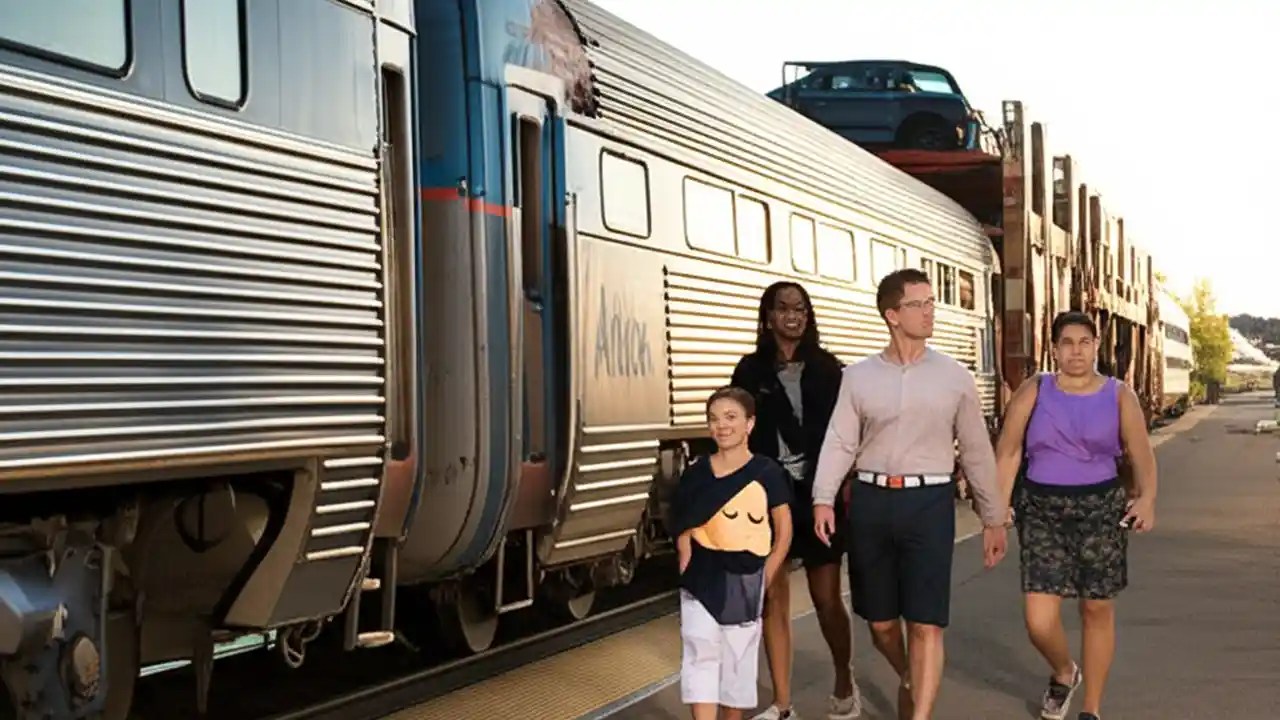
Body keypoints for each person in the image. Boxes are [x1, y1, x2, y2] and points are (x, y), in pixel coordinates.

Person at [810, 268, 1009, 720]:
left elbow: (977, 450)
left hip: (930, 504)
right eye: (919, 304)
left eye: (931, 303)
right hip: (872, 503)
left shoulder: (955, 377)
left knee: (926, 624)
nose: (930, 312)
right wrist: (823, 498)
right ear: (892, 315)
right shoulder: (858, 377)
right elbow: (840, 440)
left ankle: (918, 713)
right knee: (881, 625)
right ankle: (910, 675)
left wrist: (993, 518)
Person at [993, 311, 1157, 720]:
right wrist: (995, 515)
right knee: (1038, 620)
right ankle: (1065, 670)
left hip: (1100, 510)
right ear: (1054, 348)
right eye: (1067, 342)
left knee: (1095, 609)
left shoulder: (1120, 395)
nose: (1077, 350)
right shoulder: (1036, 390)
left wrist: (1147, 498)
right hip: (1042, 511)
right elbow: (1008, 453)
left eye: (1085, 342)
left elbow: (1141, 453)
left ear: (1097, 346)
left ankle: (1092, 709)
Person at [730, 281, 862, 720]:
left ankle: (844, 676)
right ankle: (783, 704)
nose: (793, 315)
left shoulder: (829, 370)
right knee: (773, 598)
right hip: (769, 499)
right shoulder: (750, 372)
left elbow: (848, 433)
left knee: (827, 597)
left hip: (819, 496)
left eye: (800, 308)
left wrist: (844, 484)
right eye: (783, 307)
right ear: (767, 316)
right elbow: (737, 431)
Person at [671, 386, 794, 720]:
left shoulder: (767, 473)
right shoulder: (696, 473)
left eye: (730, 417)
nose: (721, 426)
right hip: (702, 577)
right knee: (701, 657)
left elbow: (783, 529)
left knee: (738, 662)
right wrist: (684, 547)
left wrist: (768, 572)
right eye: (713, 419)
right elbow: (681, 518)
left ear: (749, 424)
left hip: (746, 578)